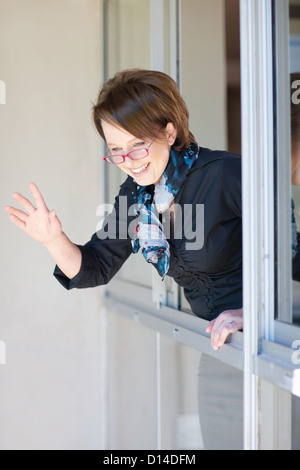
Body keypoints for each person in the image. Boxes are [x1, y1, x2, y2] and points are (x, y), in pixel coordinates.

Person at [5, 69, 243, 449]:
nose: (128, 161)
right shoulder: (137, 197)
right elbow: (94, 267)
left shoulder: (227, 174)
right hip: (218, 347)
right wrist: (53, 239)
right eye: (116, 150)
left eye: (138, 145)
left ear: (169, 132)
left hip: (272, 341)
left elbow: (287, 254)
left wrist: (251, 313)